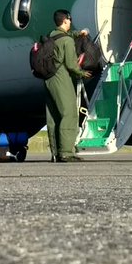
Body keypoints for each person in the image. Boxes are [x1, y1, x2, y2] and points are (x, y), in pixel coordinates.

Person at [44, 9, 93, 162]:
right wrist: (82, 73)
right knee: (69, 113)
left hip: (49, 78)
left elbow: (68, 36)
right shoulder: (67, 41)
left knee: (53, 115)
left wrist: (79, 33)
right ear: (65, 21)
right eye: (69, 20)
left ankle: (55, 152)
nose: (71, 23)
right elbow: (71, 65)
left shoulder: (52, 36)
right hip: (61, 77)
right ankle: (66, 152)